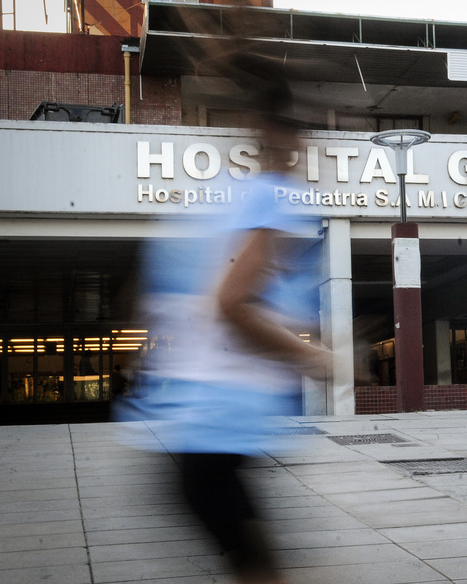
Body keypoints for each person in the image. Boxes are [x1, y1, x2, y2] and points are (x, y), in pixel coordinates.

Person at [115, 71, 330, 583]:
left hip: (201, 416)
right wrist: (315, 357)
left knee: (248, 548)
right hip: (221, 414)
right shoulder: (275, 200)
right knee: (253, 554)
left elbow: (155, 296)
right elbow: (232, 305)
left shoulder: (224, 199)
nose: (309, 140)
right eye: (304, 129)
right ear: (285, 135)